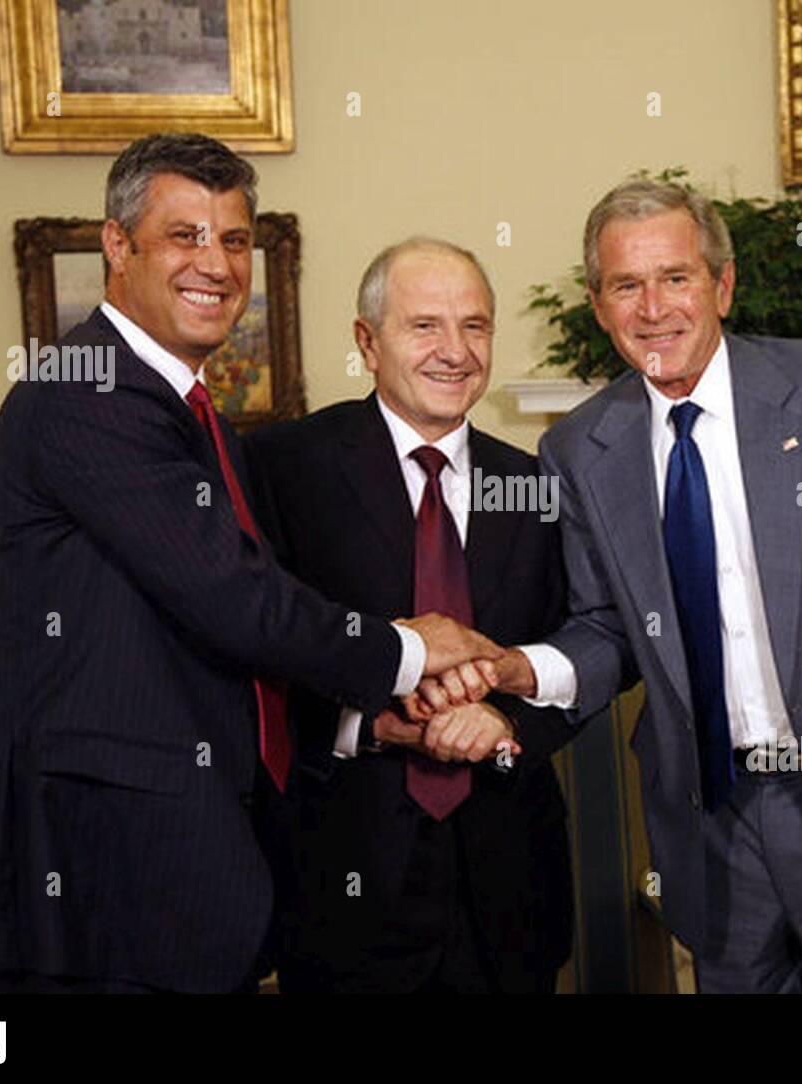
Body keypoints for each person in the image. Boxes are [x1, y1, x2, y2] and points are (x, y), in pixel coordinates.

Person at [0, 135, 496, 995]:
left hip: (179, 886)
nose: (217, 264)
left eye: (233, 240)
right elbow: (235, 600)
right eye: (184, 235)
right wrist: (411, 650)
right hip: (94, 895)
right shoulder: (86, 394)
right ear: (117, 246)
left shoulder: (199, 417)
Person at [472, 178, 802, 993]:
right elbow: (610, 628)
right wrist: (519, 670)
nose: (654, 308)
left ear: (722, 284)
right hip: (715, 836)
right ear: (598, 302)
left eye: (676, 277)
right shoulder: (580, 450)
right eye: (626, 285)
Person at [244, 238, 575, 993]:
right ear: (367, 342)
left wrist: (511, 723)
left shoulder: (535, 483)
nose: (454, 352)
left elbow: (586, 648)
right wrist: (365, 725)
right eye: (424, 326)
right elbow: (247, 654)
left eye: (476, 326)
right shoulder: (283, 468)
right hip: (342, 888)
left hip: (511, 890)